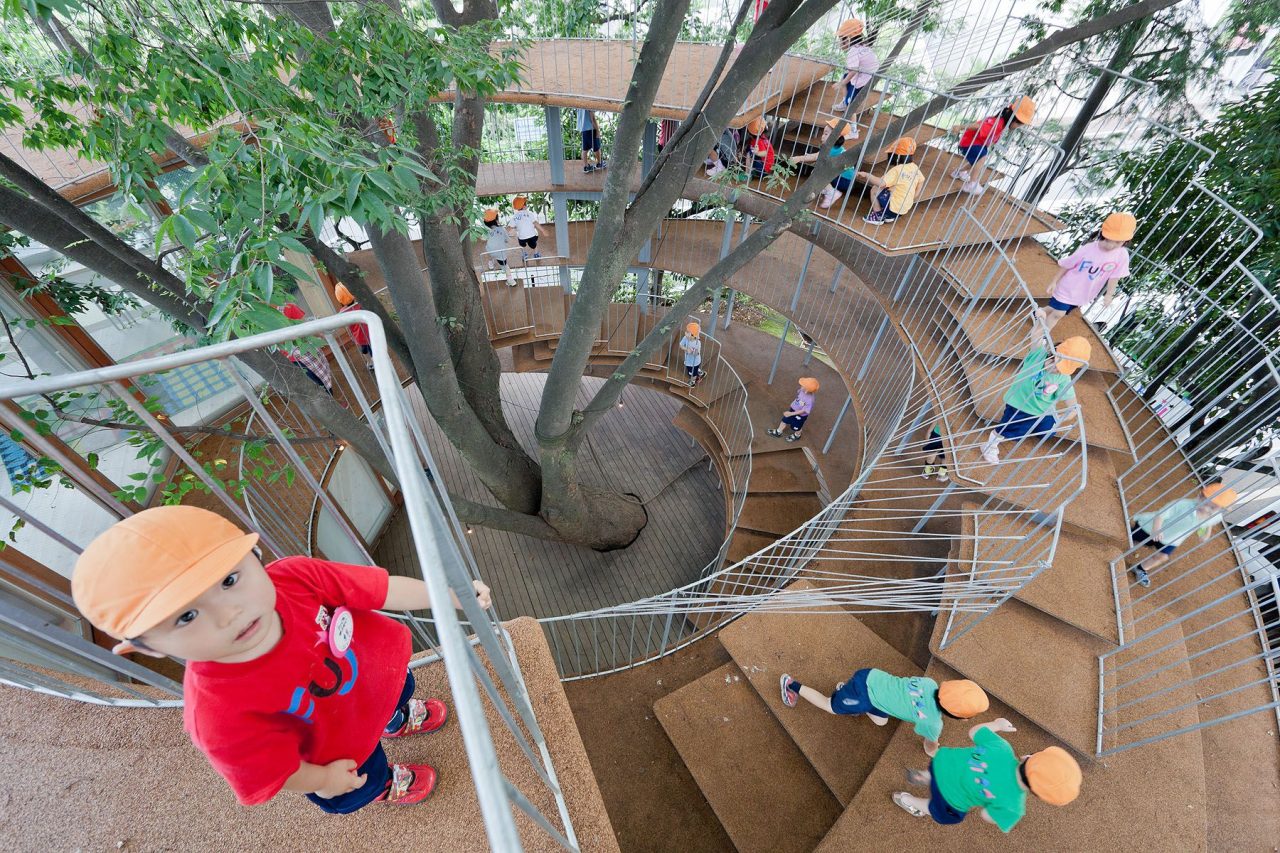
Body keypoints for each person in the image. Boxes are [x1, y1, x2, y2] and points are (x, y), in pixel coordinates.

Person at [70, 506, 493, 812]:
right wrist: (324, 780)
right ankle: (385, 785)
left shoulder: (295, 577)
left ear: (254, 558)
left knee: (398, 693)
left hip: (379, 675)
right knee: (362, 778)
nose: (228, 613)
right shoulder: (217, 713)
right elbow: (275, 770)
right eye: (186, 616)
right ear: (147, 648)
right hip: (338, 748)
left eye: (229, 580)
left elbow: (379, 589)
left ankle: (395, 718)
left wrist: (448, 596)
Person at [892, 717, 1082, 831]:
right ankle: (908, 800)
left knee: (940, 771)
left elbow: (974, 731)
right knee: (946, 815)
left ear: (1027, 757)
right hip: (951, 799)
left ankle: (924, 777)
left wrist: (997, 724)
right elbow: (986, 815)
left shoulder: (1003, 747)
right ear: (1039, 794)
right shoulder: (1013, 807)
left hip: (943, 762)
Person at [779, 669, 988, 756]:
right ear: (958, 717)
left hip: (872, 676)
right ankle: (791, 685)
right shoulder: (933, 724)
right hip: (863, 693)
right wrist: (934, 749)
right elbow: (929, 747)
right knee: (830, 706)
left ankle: (847, 693)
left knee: (881, 722)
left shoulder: (929, 682)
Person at [979, 332, 1091, 465]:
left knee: (1046, 432)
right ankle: (990, 445)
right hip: (1019, 403)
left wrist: (1066, 415)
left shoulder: (1064, 378)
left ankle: (1044, 421)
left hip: (1041, 410)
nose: (1054, 369)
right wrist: (1041, 319)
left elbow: (1072, 406)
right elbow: (1036, 334)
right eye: (1054, 362)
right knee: (1009, 428)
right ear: (1053, 352)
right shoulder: (1038, 355)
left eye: (1061, 369)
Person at [1129, 483, 1237, 587]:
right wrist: (1157, 530)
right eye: (1205, 502)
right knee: (1131, 541)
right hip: (1149, 528)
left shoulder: (1216, 517)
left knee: (1162, 557)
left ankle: (1141, 568)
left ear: (1220, 509)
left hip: (1172, 539)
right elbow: (1160, 515)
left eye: (1213, 508)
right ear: (1200, 496)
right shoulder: (1182, 504)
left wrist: (1205, 534)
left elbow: (1206, 524)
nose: (1206, 508)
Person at [1042, 213, 1135, 331]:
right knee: (1058, 314)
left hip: (1084, 293)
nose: (1111, 246)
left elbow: (1114, 277)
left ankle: (1039, 313)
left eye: (1118, 242)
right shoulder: (1089, 248)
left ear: (1126, 241)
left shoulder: (1122, 255)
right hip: (1068, 287)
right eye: (1108, 240)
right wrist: (1054, 281)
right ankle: (1043, 334)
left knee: (1056, 310)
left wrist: (1109, 295)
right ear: (1102, 234)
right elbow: (1068, 264)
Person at [950, 96, 1035, 197]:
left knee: (977, 161)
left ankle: (959, 172)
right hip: (969, 142)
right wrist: (961, 127)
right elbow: (979, 126)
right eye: (1019, 125)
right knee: (981, 158)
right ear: (1014, 120)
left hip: (976, 143)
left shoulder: (1001, 124)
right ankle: (972, 184)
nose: (1018, 128)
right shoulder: (997, 123)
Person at [789, 118, 859, 209]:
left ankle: (831, 192)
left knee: (817, 172)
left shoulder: (830, 149)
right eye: (823, 133)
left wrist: (798, 158)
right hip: (845, 178)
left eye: (826, 134)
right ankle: (826, 188)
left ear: (836, 137)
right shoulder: (836, 147)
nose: (822, 136)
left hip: (844, 180)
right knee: (819, 170)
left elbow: (816, 157)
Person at [857, 136, 924, 225]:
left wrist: (867, 175)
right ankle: (888, 216)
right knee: (891, 190)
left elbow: (881, 184)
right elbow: (921, 181)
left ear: (897, 156)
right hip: (903, 209)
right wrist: (912, 197)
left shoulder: (897, 170)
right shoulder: (915, 168)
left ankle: (878, 216)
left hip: (892, 208)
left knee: (875, 189)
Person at [279, 303, 333, 395]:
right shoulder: (289, 308)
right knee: (320, 382)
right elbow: (306, 329)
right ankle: (331, 403)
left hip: (296, 356)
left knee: (316, 383)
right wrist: (322, 335)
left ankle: (331, 402)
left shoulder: (288, 308)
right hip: (302, 355)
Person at [831, 18, 879, 113]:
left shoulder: (853, 51)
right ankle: (845, 102)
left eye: (840, 39)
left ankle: (851, 121)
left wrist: (842, 83)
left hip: (862, 81)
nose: (839, 43)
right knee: (845, 77)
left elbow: (854, 70)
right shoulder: (863, 46)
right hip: (870, 77)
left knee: (851, 105)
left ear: (847, 39)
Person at [334, 283, 372, 371]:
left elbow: (341, 324)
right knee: (373, 347)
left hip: (359, 336)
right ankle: (380, 362)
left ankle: (370, 363)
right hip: (370, 332)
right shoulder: (360, 304)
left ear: (340, 300)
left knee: (365, 349)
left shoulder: (343, 312)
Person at [767, 377, 818, 442]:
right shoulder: (802, 390)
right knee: (784, 420)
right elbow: (798, 396)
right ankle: (778, 431)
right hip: (793, 409)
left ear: (807, 390)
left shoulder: (810, 400)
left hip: (800, 416)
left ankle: (797, 435)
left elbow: (803, 411)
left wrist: (791, 413)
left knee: (797, 427)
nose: (801, 386)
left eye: (803, 385)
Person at [481, 208, 516, 286]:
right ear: (497, 220)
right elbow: (507, 240)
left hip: (490, 251)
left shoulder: (486, 231)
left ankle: (490, 263)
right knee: (506, 267)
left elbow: (483, 239)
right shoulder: (502, 229)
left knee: (489, 250)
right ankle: (511, 280)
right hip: (501, 253)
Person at [507, 196, 546, 261]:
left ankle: (524, 255)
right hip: (532, 236)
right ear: (524, 206)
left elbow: (510, 227)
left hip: (522, 237)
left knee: (522, 245)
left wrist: (505, 234)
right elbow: (535, 223)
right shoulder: (529, 213)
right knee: (534, 245)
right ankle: (536, 254)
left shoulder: (514, 217)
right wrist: (543, 230)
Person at [577, 108, 605, 173]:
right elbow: (593, 119)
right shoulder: (589, 105)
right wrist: (598, 130)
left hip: (584, 130)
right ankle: (599, 163)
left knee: (585, 149)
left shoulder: (579, 106)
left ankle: (586, 166)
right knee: (597, 147)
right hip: (591, 129)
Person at [679, 321, 704, 386]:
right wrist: (686, 349)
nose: (685, 333)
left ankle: (693, 381)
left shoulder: (697, 343)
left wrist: (693, 352)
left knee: (693, 374)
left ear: (693, 335)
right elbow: (681, 345)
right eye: (686, 331)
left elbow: (697, 353)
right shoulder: (685, 338)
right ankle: (699, 372)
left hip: (695, 362)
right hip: (688, 360)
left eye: (687, 332)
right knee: (690, 370)